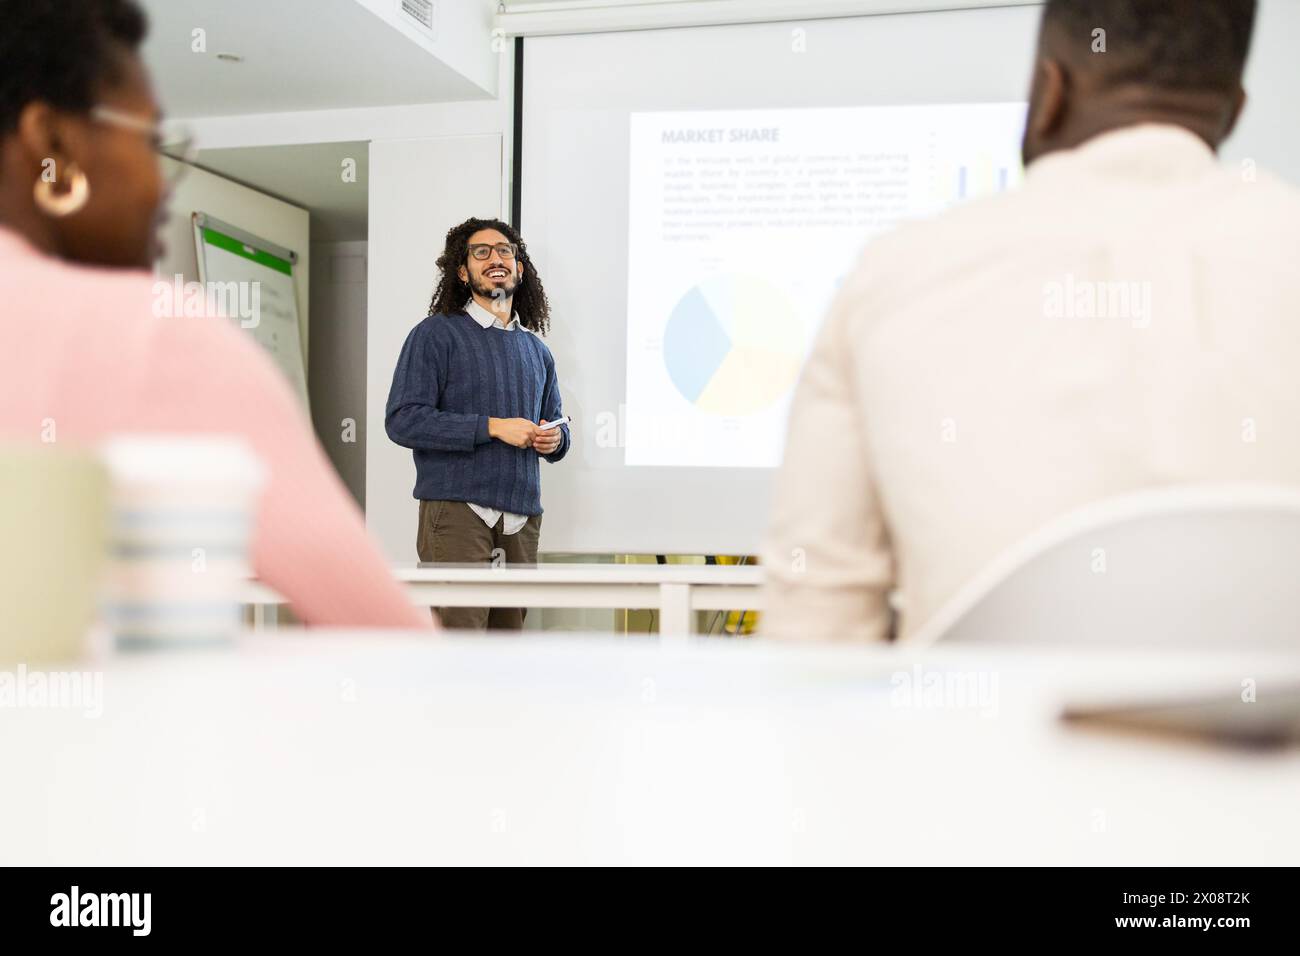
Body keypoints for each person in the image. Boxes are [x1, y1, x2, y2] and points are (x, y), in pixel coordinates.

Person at [761, 0, 1300, 641]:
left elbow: (815, 636)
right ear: (1232, 111)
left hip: (975, 742)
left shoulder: (891, 276)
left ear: (1050, 90)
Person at [0, 0, 431, 629]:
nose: (163, 179)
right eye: (151, 141)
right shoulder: (155, 332)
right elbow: (386, 637)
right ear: (53, 142)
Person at [386, 217, 571, 630]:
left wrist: (555, 439)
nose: (496, 259)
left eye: (505, 251)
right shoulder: (435, 335)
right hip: (458, 513)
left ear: (520, 269)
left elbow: (559, 426)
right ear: (462, 271)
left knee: (507, 652)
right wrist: (492, 427)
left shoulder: (537, 351)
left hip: (522, 518)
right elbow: (403, 420)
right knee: (459, 642)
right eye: (481, 252)